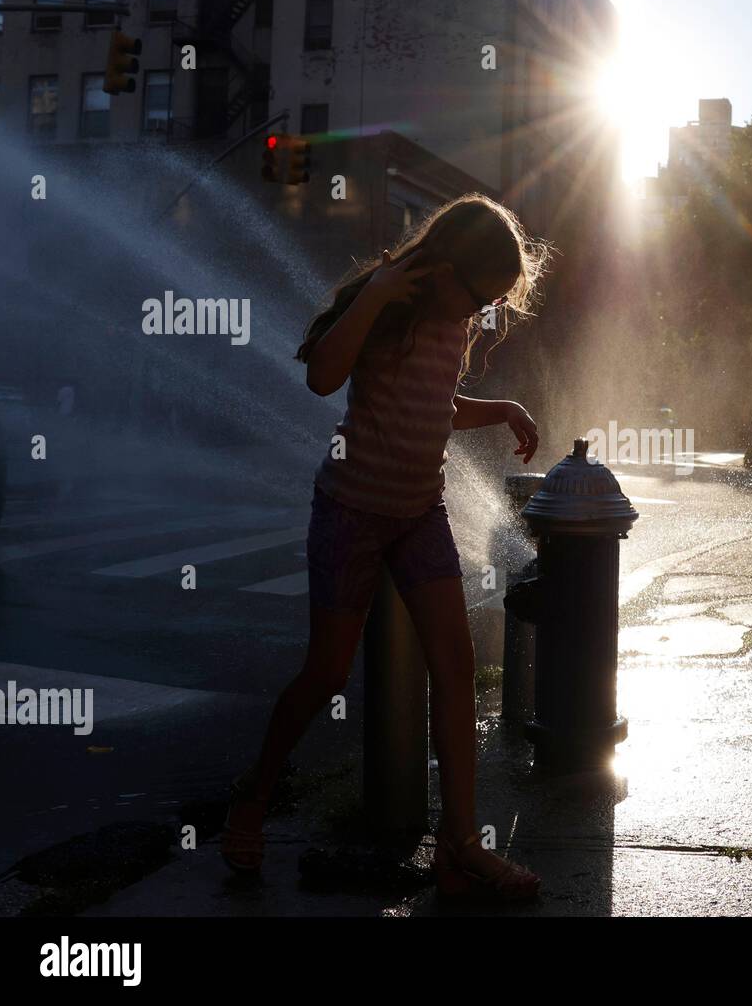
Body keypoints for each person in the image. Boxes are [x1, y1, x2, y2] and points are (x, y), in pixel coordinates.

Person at [222, 194, 551, 900]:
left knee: (456, 668)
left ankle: (459, 846)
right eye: (474, 296)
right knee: (325, 674)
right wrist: (370, 295)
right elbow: (321, 376)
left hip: (418, 513)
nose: (475, 314)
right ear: (444, 266)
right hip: (352, 513)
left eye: (489, 304)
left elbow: (436, 401)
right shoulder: (389, 301)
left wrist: (503, 410)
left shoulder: (453, 319)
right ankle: (252, 796)